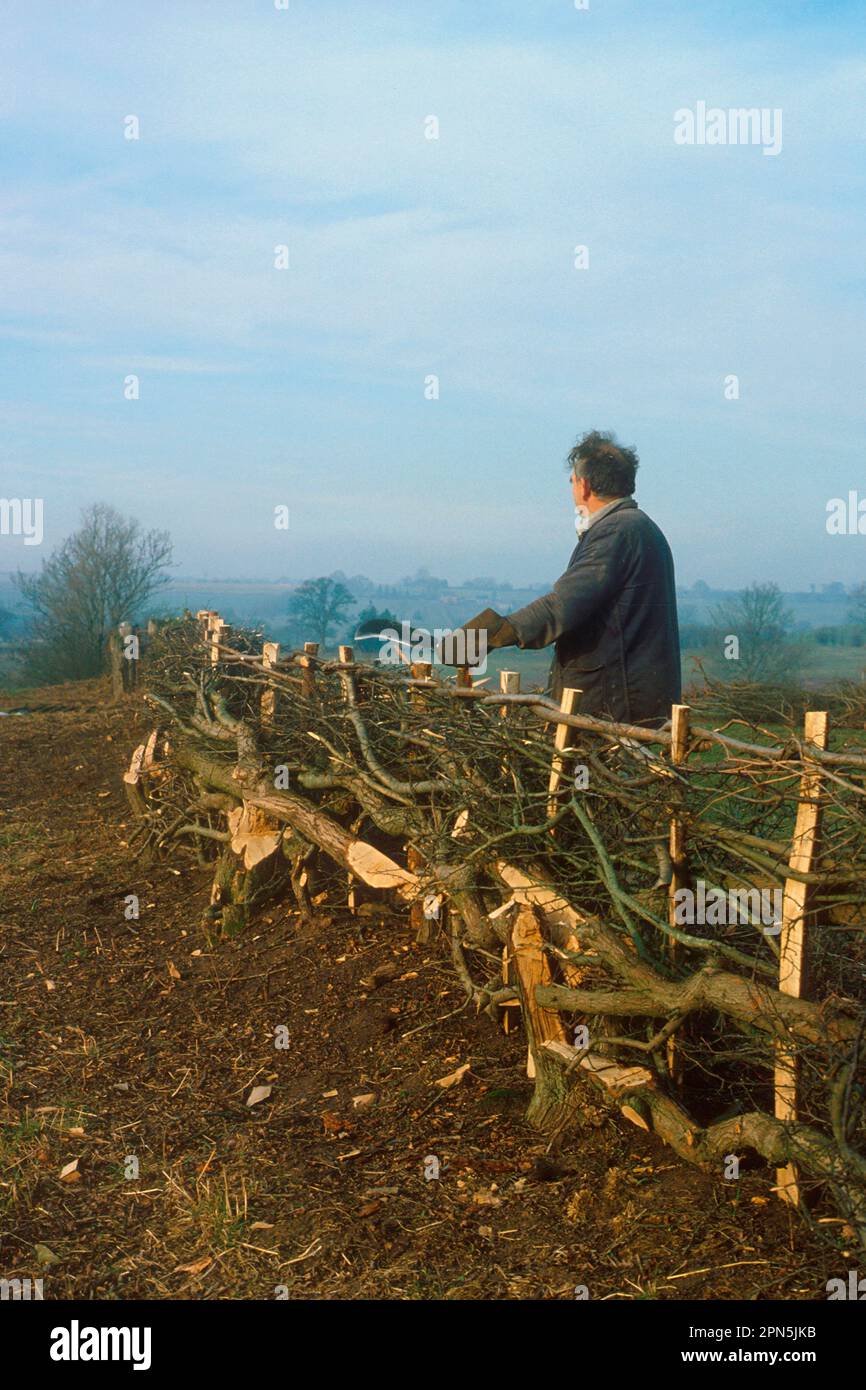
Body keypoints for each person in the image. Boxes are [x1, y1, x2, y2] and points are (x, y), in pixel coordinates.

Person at [441, 430, 681, 725]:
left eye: (572, 482)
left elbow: (563, 605)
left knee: (586, 771)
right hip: (631, 700)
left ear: (585, 485)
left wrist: (488, 635)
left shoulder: (617, 531)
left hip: (613, 706)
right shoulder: (640, 528)